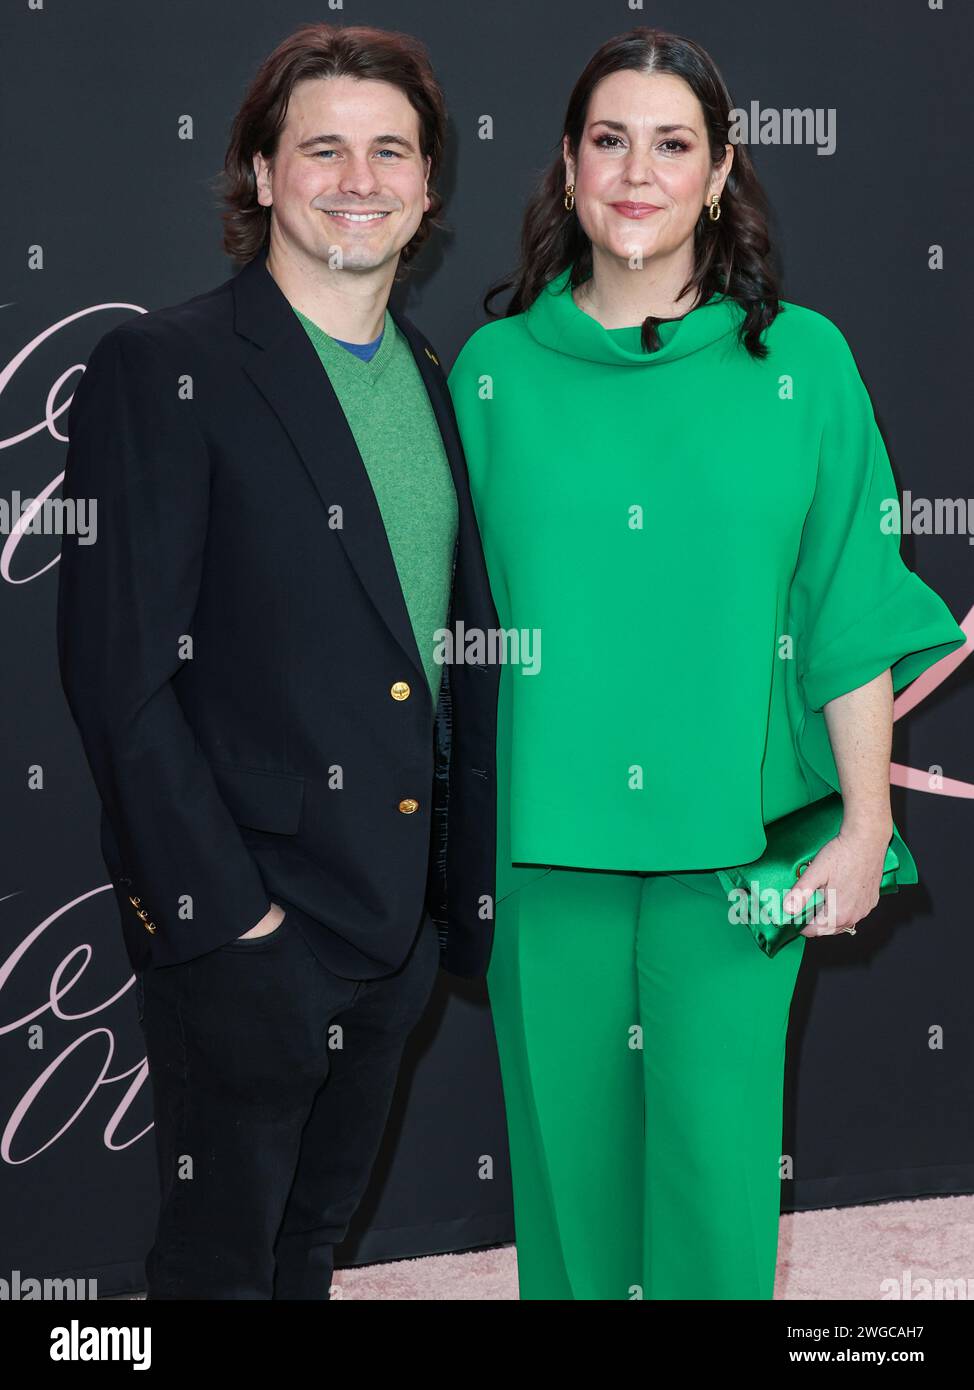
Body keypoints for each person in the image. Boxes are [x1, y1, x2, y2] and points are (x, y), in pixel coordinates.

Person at [447, 26, 966, 1300]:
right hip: (538, 855)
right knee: (567, 1197)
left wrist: (861, 824)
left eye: (671, 142)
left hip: (744, 850)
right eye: (609, 139)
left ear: (721, 169)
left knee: (715, 1182)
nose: (637, 170)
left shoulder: (806, 365)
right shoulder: (489, 373)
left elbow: (845, 607)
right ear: (567, 165)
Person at [56, 22, 500, 1300]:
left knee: (310, 1250)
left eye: (389, 151)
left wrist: (433, 908)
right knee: (216, 1268)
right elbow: (117, 681)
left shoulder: (428, 372)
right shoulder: (167, 365)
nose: (356, 179)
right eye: (321, 149)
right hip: (245, 929)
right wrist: (232, 923)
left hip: (389, 926)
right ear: (259, 174)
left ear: (426, 186)